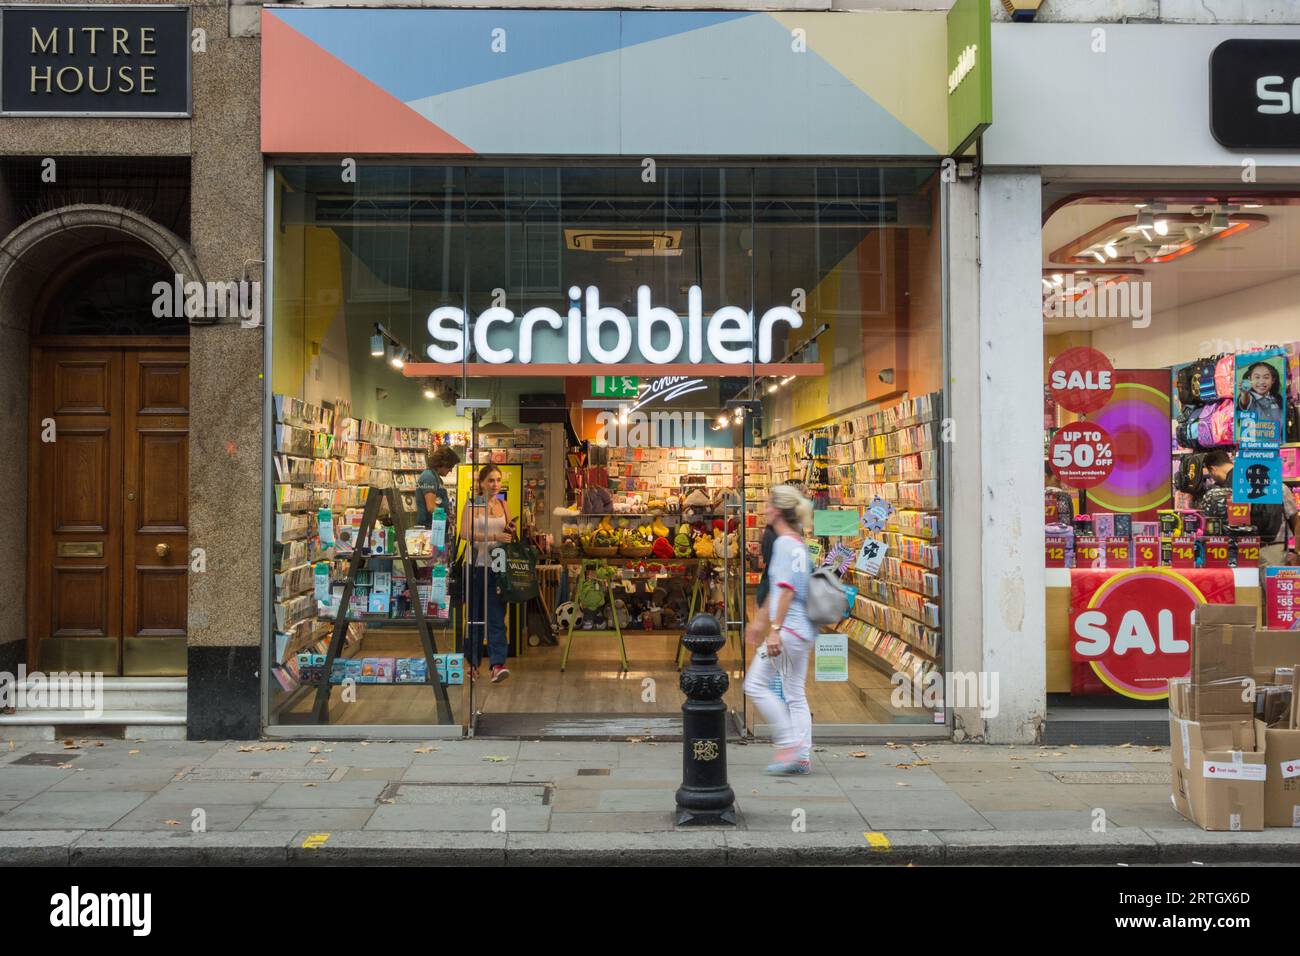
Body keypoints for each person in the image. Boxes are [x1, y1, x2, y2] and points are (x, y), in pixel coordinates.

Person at [742, 484, 816, 775]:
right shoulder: (796, 542)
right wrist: (759, 622)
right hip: (801, 631)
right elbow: (779, 589)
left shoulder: (783, 545)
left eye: (768, 505)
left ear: (778, 511)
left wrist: (773, 630)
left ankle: (789, 746)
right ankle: (803, 755)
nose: (764, 509)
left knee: (755, 685)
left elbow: (784, 591)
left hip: (787, 632)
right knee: (795, 692)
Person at [459, 464, 516, 682]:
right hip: (476, 566)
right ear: (481, 483)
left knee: (496, 617)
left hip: (498, 567)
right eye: (490, 480)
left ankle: (497, 664)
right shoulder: (472, 504)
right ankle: (472, 664)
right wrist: (494, 538)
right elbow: (465, 533)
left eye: (498, 480)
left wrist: (511, 534)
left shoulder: (503, 504)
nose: (495, 485)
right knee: (474, 617)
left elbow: (510, 531)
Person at [1200, 451, 1299, 568]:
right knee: (1271, 584)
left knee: (1245, 585)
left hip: (1241, 549)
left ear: (1213, 469)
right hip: (1274, 549)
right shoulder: (1278, 486)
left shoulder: (1227, 491)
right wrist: (1297, 551)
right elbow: (1295, 520)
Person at [1237, 361, 1285, 440]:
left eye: (1266, 377)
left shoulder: (1278, 399)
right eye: (1257, 377)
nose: (1261, 381)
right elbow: (1244, 402)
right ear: (1249, 379)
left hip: (1276, 448)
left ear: (1273, 380)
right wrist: (1244, 393)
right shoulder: (1249, 398)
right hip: (1254, 450)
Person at [416, 445, 459, 530]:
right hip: (429, 529)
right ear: (444, 463)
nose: (450, 470)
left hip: (435, 527)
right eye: (450, 467)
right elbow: (431, 507)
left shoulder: (436, 478)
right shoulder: (428, 477)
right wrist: (447, 518)